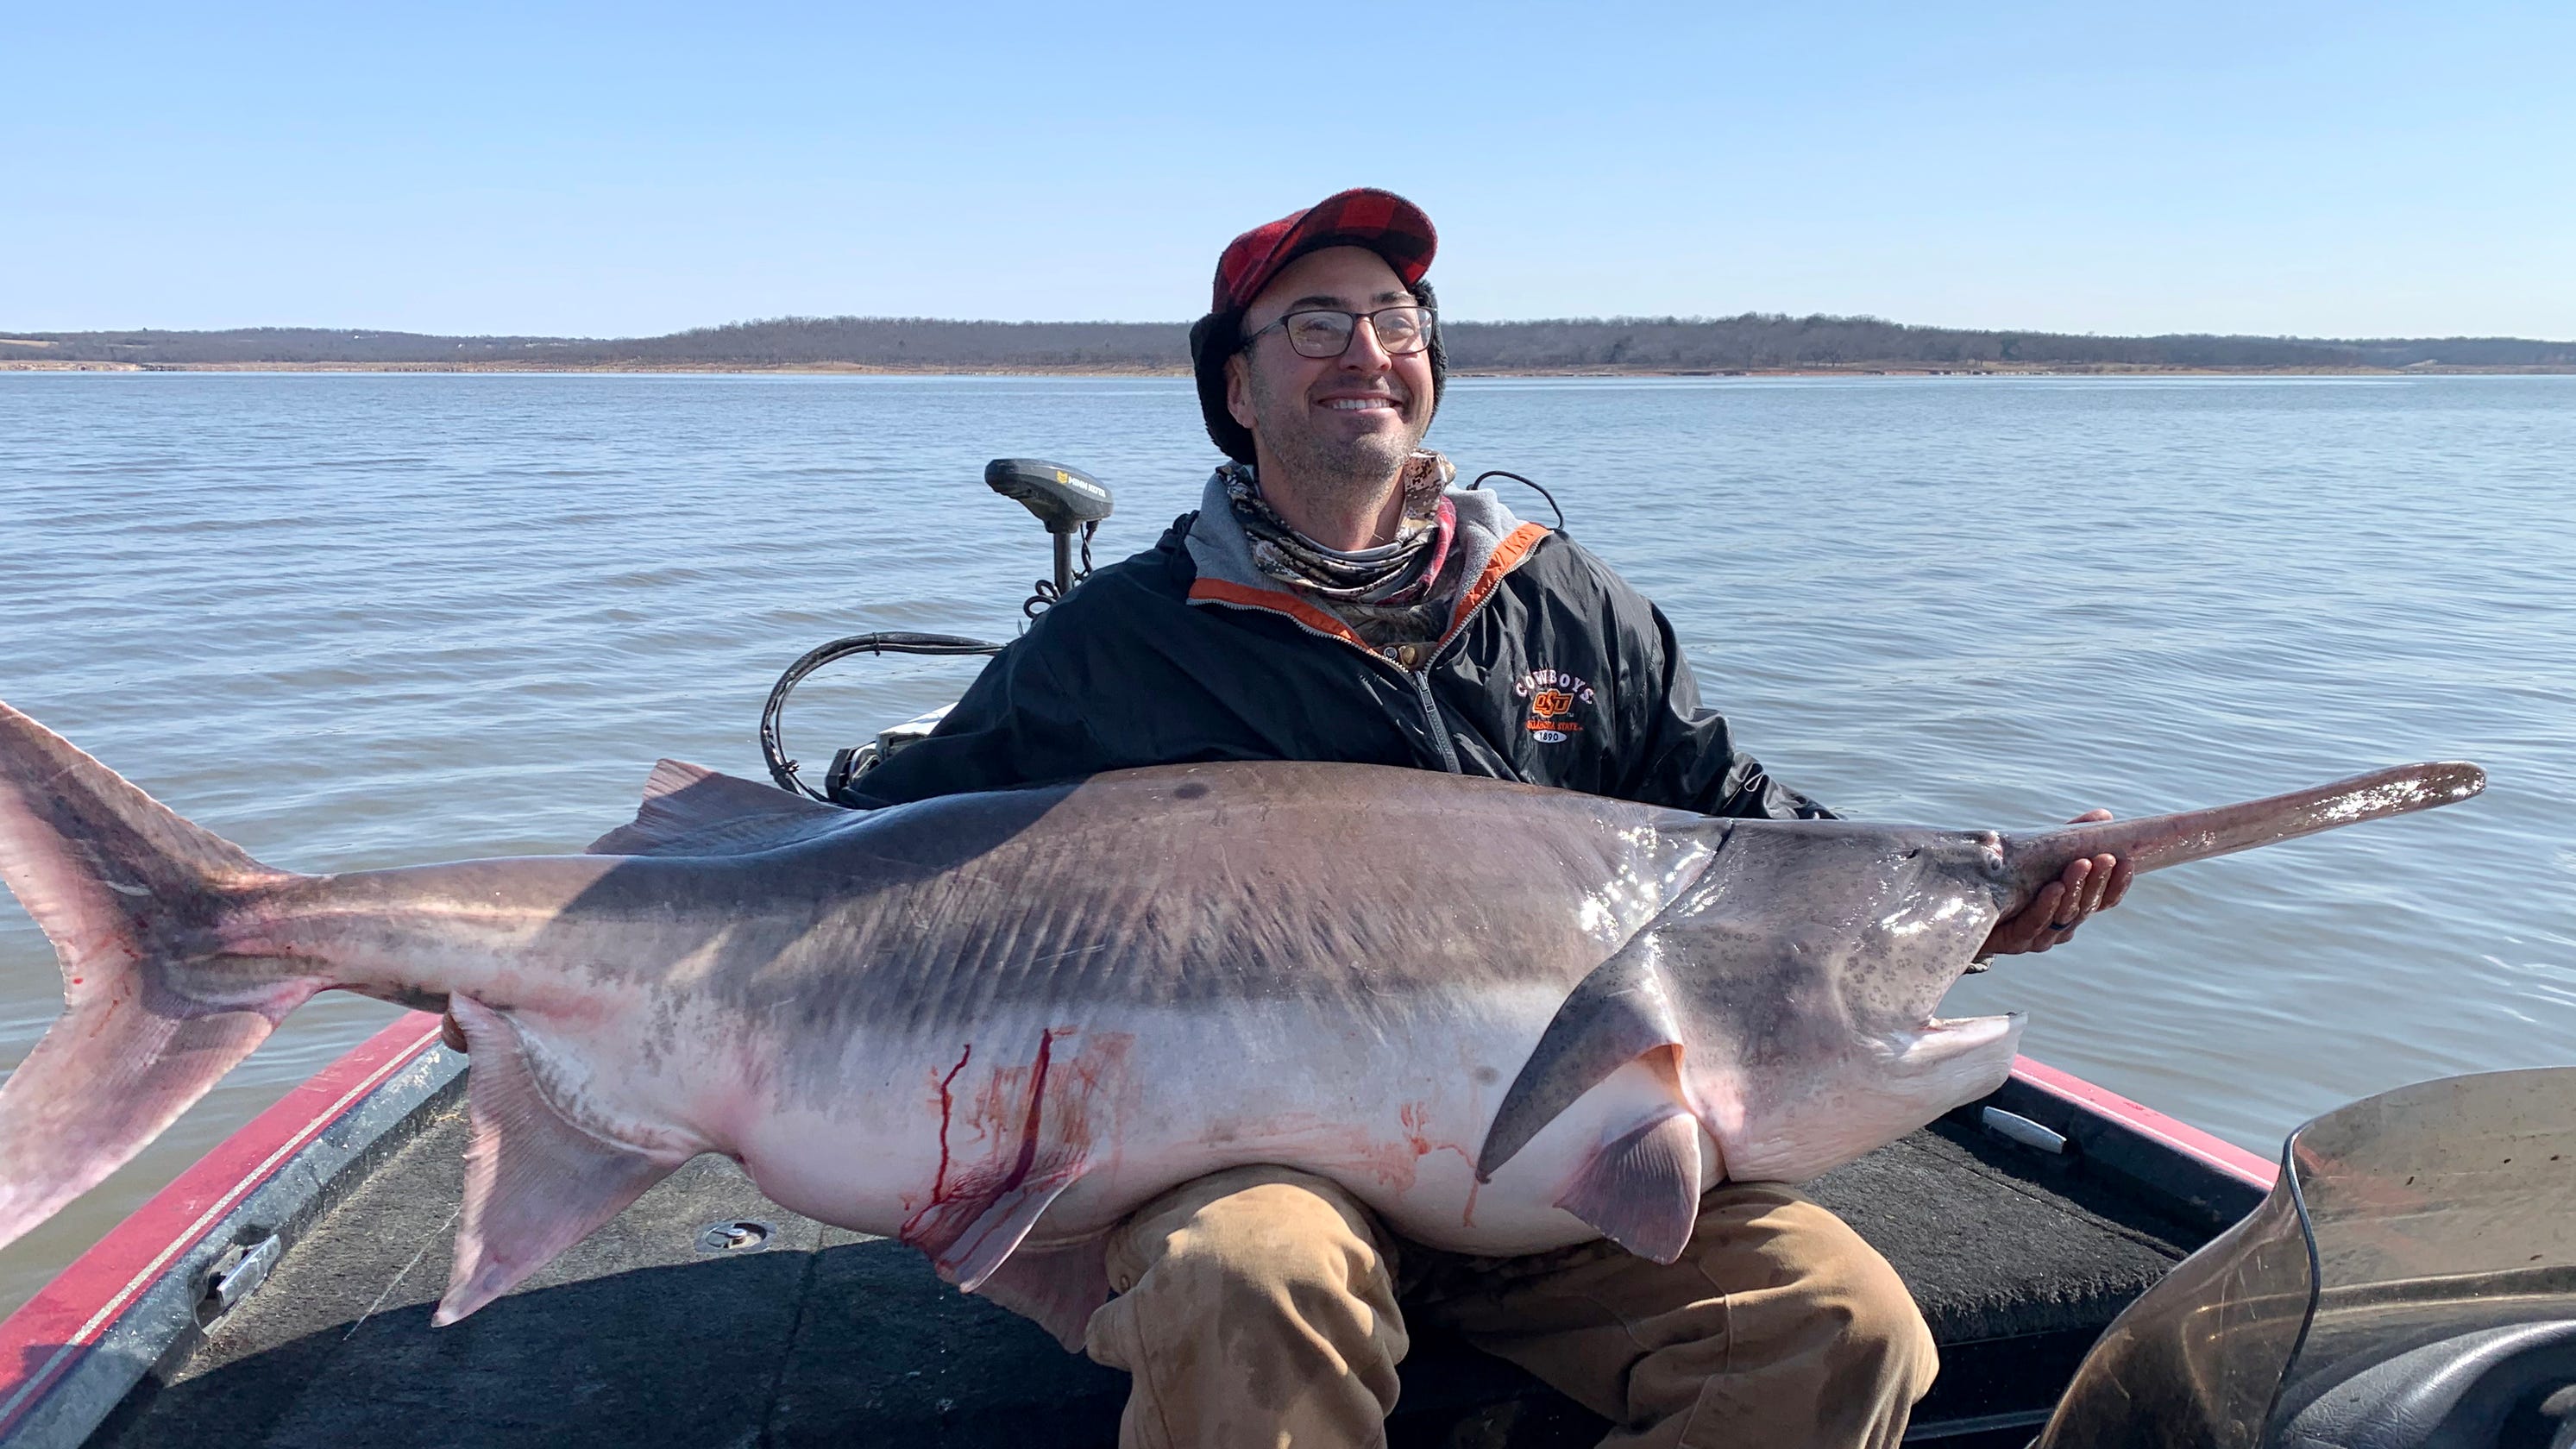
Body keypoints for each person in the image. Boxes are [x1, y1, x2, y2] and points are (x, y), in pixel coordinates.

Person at [841, 189, 2132, 1448]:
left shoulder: (1562, 599)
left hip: (1561, 1157)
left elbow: (1732, 822)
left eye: (1396, 320)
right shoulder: (1113, 641)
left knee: (1839, 1325)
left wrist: (1956, 912)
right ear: (1235, 390)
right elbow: (897, 854)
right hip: (1255, 1166)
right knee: (1250, 1281)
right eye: (1313, 323)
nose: (1366, 351)